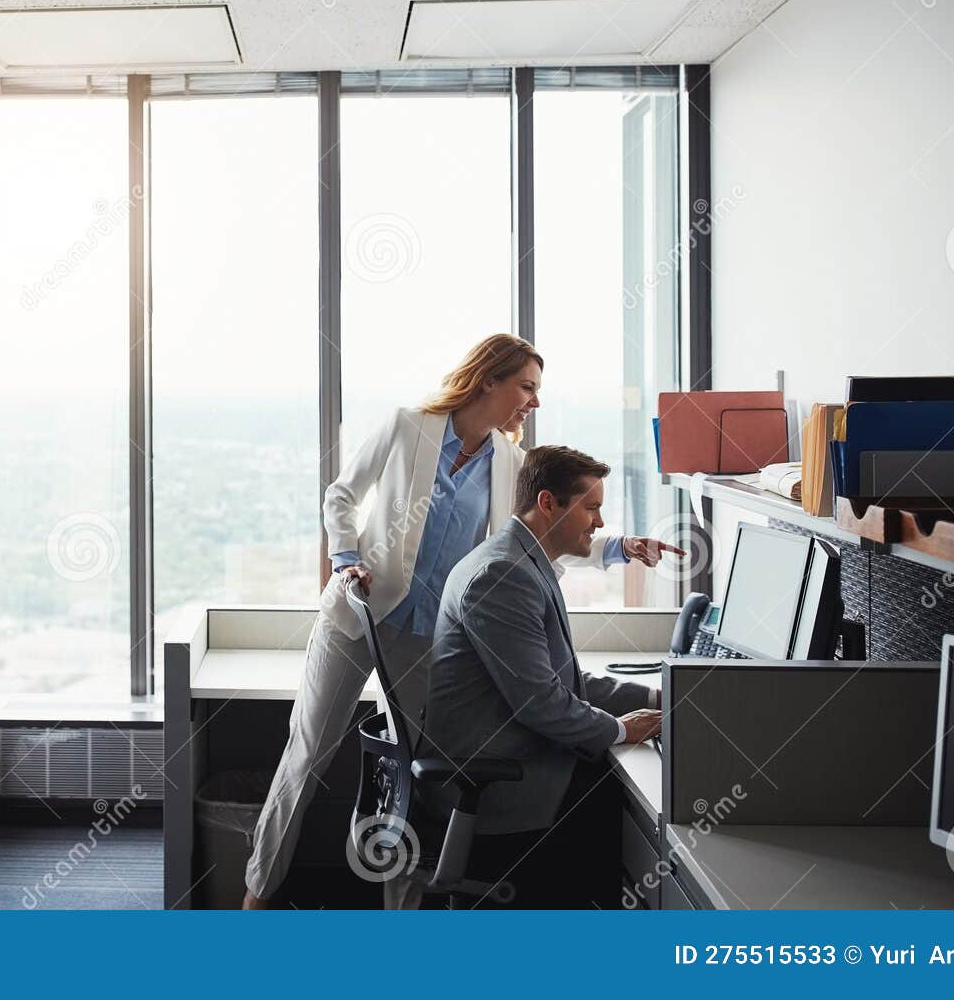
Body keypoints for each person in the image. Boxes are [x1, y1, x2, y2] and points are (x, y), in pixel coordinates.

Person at [241, 334, 680, 908]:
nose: (534, 402)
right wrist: (346, 558)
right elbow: (341, 495)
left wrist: (622, 547)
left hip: (425, 642)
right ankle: (255, 894)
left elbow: (543, 533)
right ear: (489, 379)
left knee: (413, 783)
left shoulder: (509, 461)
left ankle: (403, 919)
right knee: (307, 754)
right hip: (358, 617)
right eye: (527, 386)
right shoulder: (407, 427)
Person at [419, 445, 663, 908]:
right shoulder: (502, 574)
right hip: (498, 780)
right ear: (548, 502)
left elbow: (562, 682)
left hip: (510, 755)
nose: (600, 522)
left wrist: (658, 693)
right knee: (629, 814)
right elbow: (542, 704)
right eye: (591, 507)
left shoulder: (521, 562)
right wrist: (621, 729)